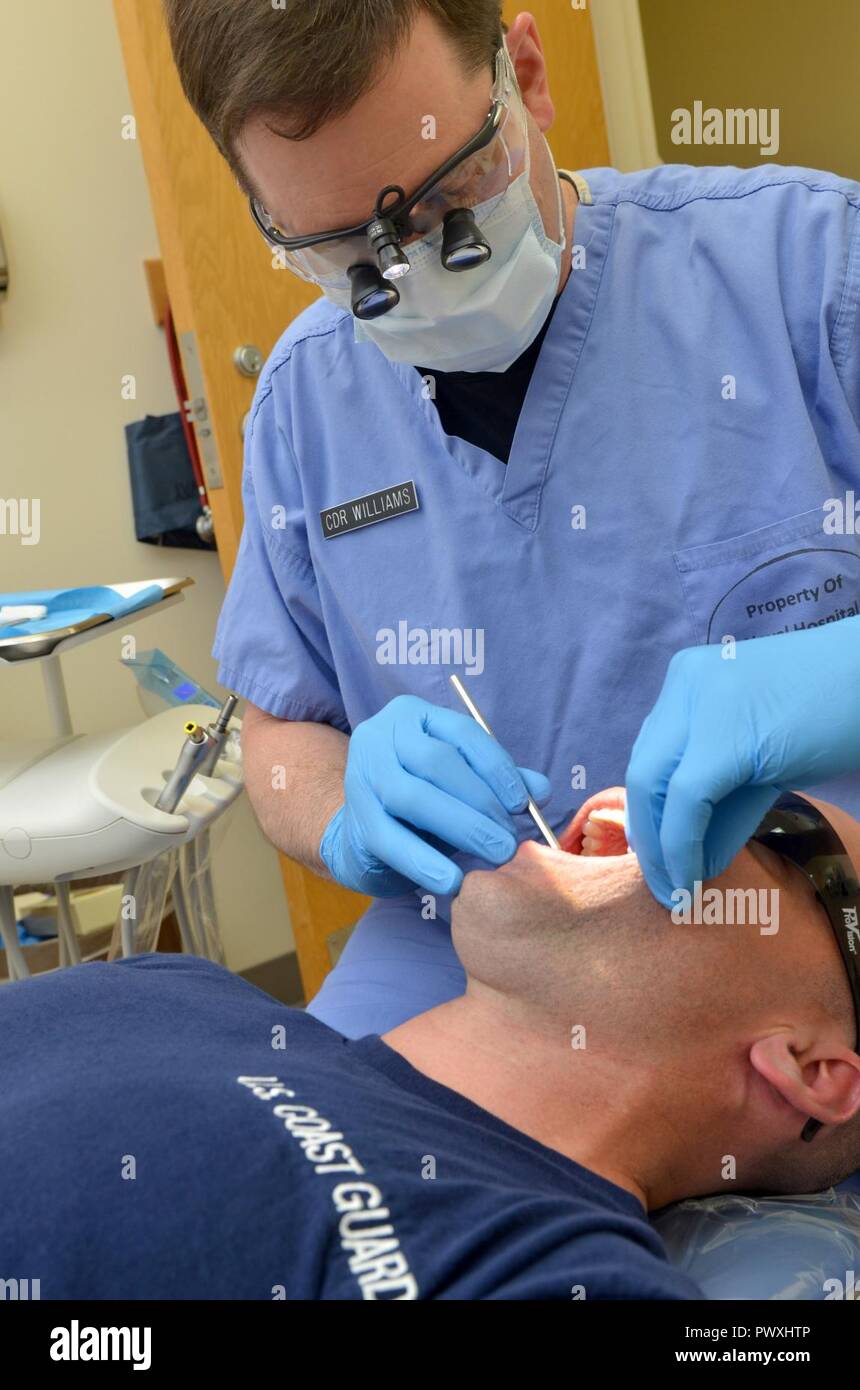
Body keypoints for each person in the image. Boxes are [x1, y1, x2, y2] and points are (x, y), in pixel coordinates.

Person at [162, 0, 860, 1037]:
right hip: (474, 961)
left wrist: (823, 683)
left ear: (522, 75)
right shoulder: (306, 406)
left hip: (799, 932)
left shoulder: (805, 271)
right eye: (345, 249)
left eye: (448, 198)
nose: (410, 273)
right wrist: (346, 803)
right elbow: (277, 731)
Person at [1, 792, 858, 1300]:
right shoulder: (180, 989)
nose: (639, 792)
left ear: (813, 1070)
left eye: (763, 823)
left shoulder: (539, 1270)